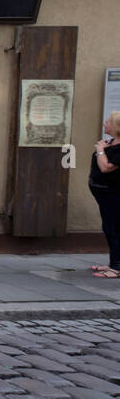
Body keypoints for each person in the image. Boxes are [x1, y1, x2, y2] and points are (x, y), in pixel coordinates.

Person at [88, 110, 120, 278]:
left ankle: (116, 268)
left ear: (116, 127)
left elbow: (106, 167)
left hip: (114, 195)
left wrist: (100, 150)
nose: (104, 124)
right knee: (109, 228)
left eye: (108, 121)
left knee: (114, 229)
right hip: (103, 194)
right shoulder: (112, 142)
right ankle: (113, 262)